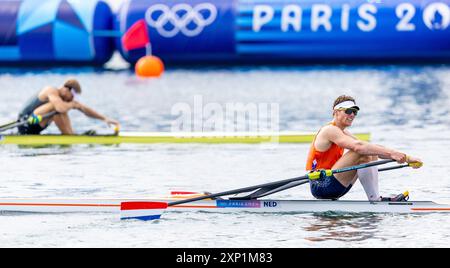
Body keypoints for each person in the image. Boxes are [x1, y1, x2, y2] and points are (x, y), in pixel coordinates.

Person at [306, 95, 423, 202]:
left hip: (334, 185)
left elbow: (368, 147)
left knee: (370, 150)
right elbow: (358, 147)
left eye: (354, 112)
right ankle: (375, 200)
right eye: (348, 111)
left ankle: (376, 198)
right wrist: (392, 153)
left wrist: (407, 157)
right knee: (361, 151)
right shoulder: (329, 130)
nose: (352, 115)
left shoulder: (343, 132)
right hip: (321, 185)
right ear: (336, 112)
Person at [17, 79, 120, 135]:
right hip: (26, 123)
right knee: (58, 107)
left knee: (61, 107)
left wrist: (104, 118)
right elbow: (60, 108)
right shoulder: (51, 91)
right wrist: (72, 105)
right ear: (67, 89)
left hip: (37, 124)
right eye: (73, 96)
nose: (72, 99)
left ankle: (70, 135)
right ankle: (70, 136)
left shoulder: (64, 99)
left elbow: (85, 109)